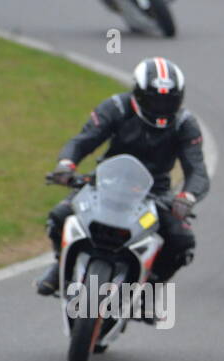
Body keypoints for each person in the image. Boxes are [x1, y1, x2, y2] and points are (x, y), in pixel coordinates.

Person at [36, 56, 207, 296]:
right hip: (104, 183)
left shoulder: (185, 124)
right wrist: (66, 165)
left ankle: (149, 290)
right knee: (59, 216)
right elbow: (84, 139)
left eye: (168, 101)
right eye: (154, 100)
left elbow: (197, 168)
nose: (161, 107)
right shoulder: (116, 107)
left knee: (182, 241)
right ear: (138, 93)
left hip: (154, 193)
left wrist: (186, 197)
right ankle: (60, 265)